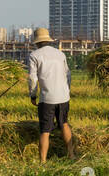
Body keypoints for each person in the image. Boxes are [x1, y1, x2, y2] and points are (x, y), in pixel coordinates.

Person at [27, 28, 75, 162]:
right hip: (63, 97)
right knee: (64, 124)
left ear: (37, 42)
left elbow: (32, 78)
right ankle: (71, 155)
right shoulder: (60, 54)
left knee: (45, 130)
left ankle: (43, 161)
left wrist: (32, 94)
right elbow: (68, 75)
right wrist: (67, 91)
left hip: (47, 98)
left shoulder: (34, 56)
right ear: (48, 40)